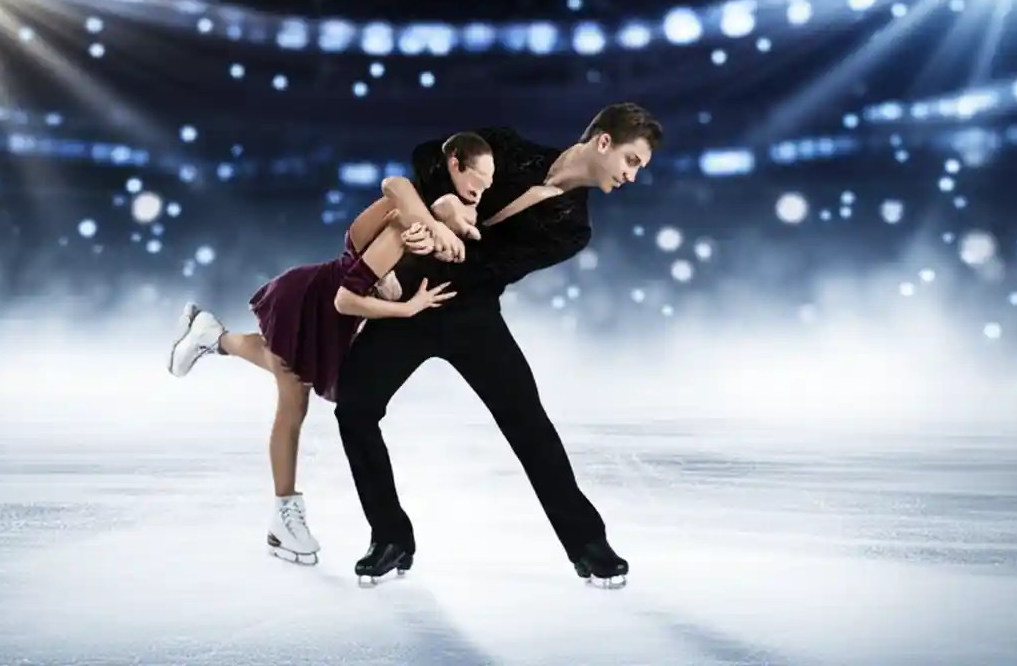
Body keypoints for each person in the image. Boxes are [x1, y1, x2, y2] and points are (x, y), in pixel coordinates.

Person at [335, 102, 663, 587]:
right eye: (632, 161)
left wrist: (439, 229)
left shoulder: (572, 228)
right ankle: (390, 537)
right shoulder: (505, 146)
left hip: (472, 315)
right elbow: (429, 156)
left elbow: (490, 266)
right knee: (355, 409)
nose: (633, 177)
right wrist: (429, 218)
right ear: (604, 142)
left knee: (528, 425)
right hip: (409, 301)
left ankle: (588, 543)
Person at [166, 132, 496, 565]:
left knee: (285, 365)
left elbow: (427, 218)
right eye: (478, 183)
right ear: (455, 168)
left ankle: (213, 335)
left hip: (329, 312)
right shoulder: (410, 219)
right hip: (311, 302)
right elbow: (346, 296)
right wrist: (408, 308)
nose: (456, 240)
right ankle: (284, 518)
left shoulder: (421, 224)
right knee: (292, 403)